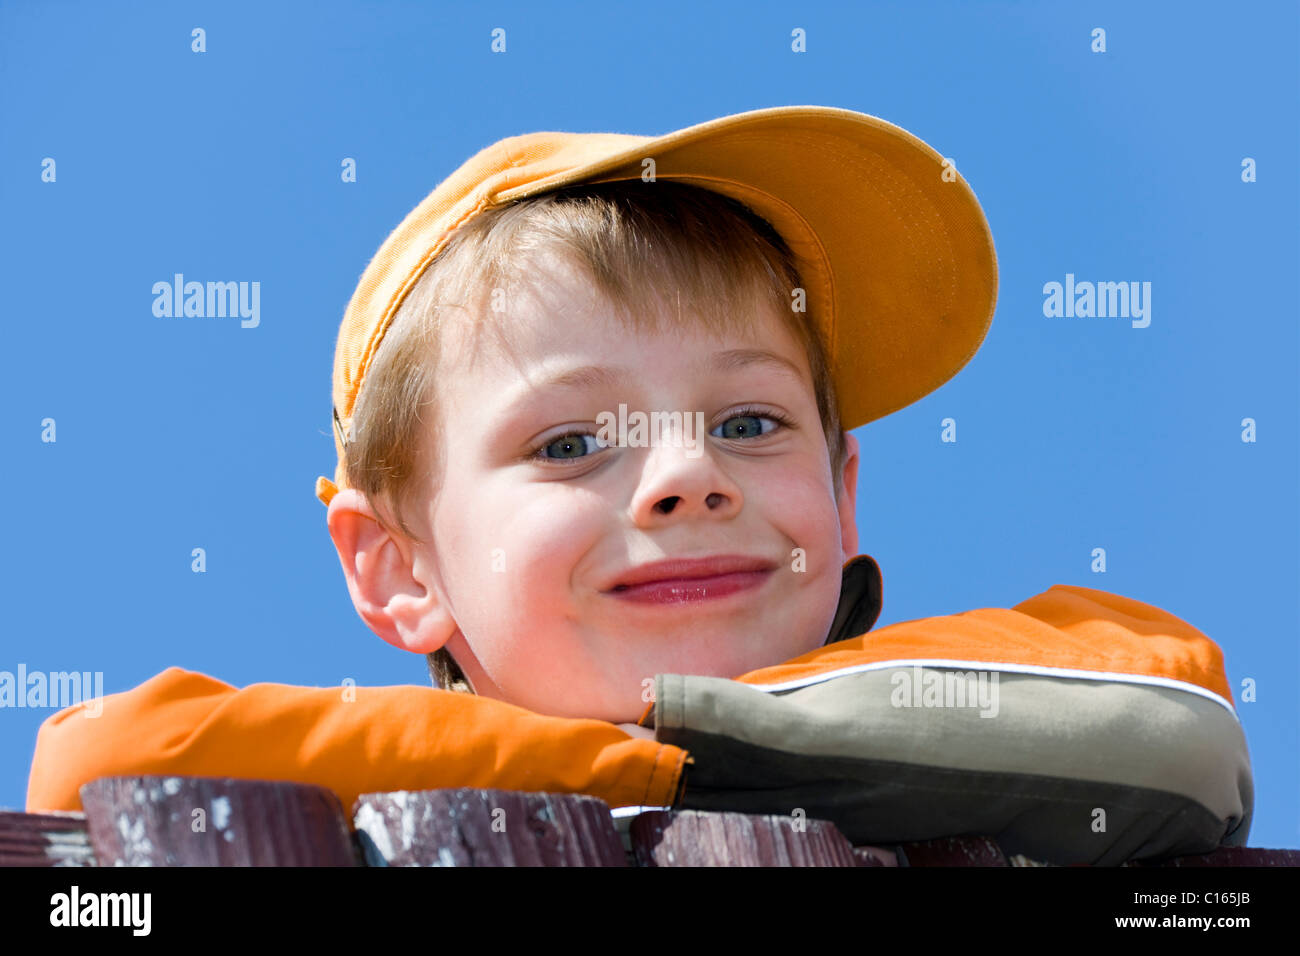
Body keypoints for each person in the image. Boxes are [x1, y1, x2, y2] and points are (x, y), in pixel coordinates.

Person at [26, 107, 1252, 865]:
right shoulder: (368, 806)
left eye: (748, 420)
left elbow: (1169, 723)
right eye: (568, 443)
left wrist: (692, 743)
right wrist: (608, 762)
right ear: (396, 566)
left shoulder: (956, 708)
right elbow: (117, 757)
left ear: (842, 494)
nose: (687, 476)